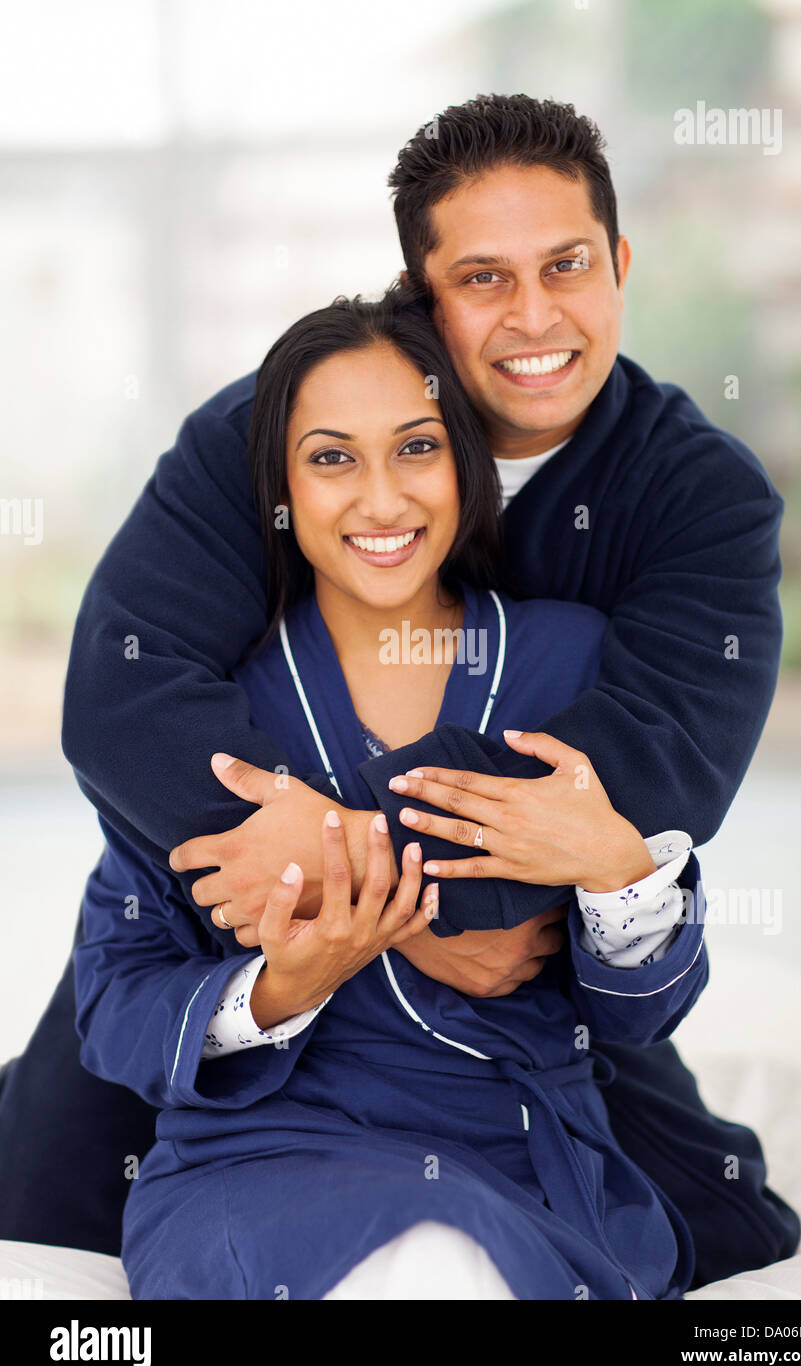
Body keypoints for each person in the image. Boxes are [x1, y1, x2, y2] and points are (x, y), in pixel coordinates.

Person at [0, 94, 800, 1286]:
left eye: (567, 266)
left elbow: (646, 772)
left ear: (619, 264)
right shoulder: (279, 430)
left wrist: (396, 888)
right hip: (249, 910)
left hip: (531, 968)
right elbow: (124, 698)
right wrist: (361, 900)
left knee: (695, 1224)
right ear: (422, 298)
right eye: (483, 278)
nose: (535, 317)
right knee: (46, 1194)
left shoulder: (700, 499)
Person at [75, 286, 708, 1300]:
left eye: (416, 447)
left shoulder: (571, 664)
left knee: (456, 1256)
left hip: (521, 1159)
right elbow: (113, 995)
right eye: (331, 458)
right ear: (277, 491)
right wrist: (284, 983)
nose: (379, 499)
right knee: (419, 1261)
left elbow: (644, 1007)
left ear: (467, 460)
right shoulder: (211, 714)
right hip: (265, 1162)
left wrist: (611, 869)